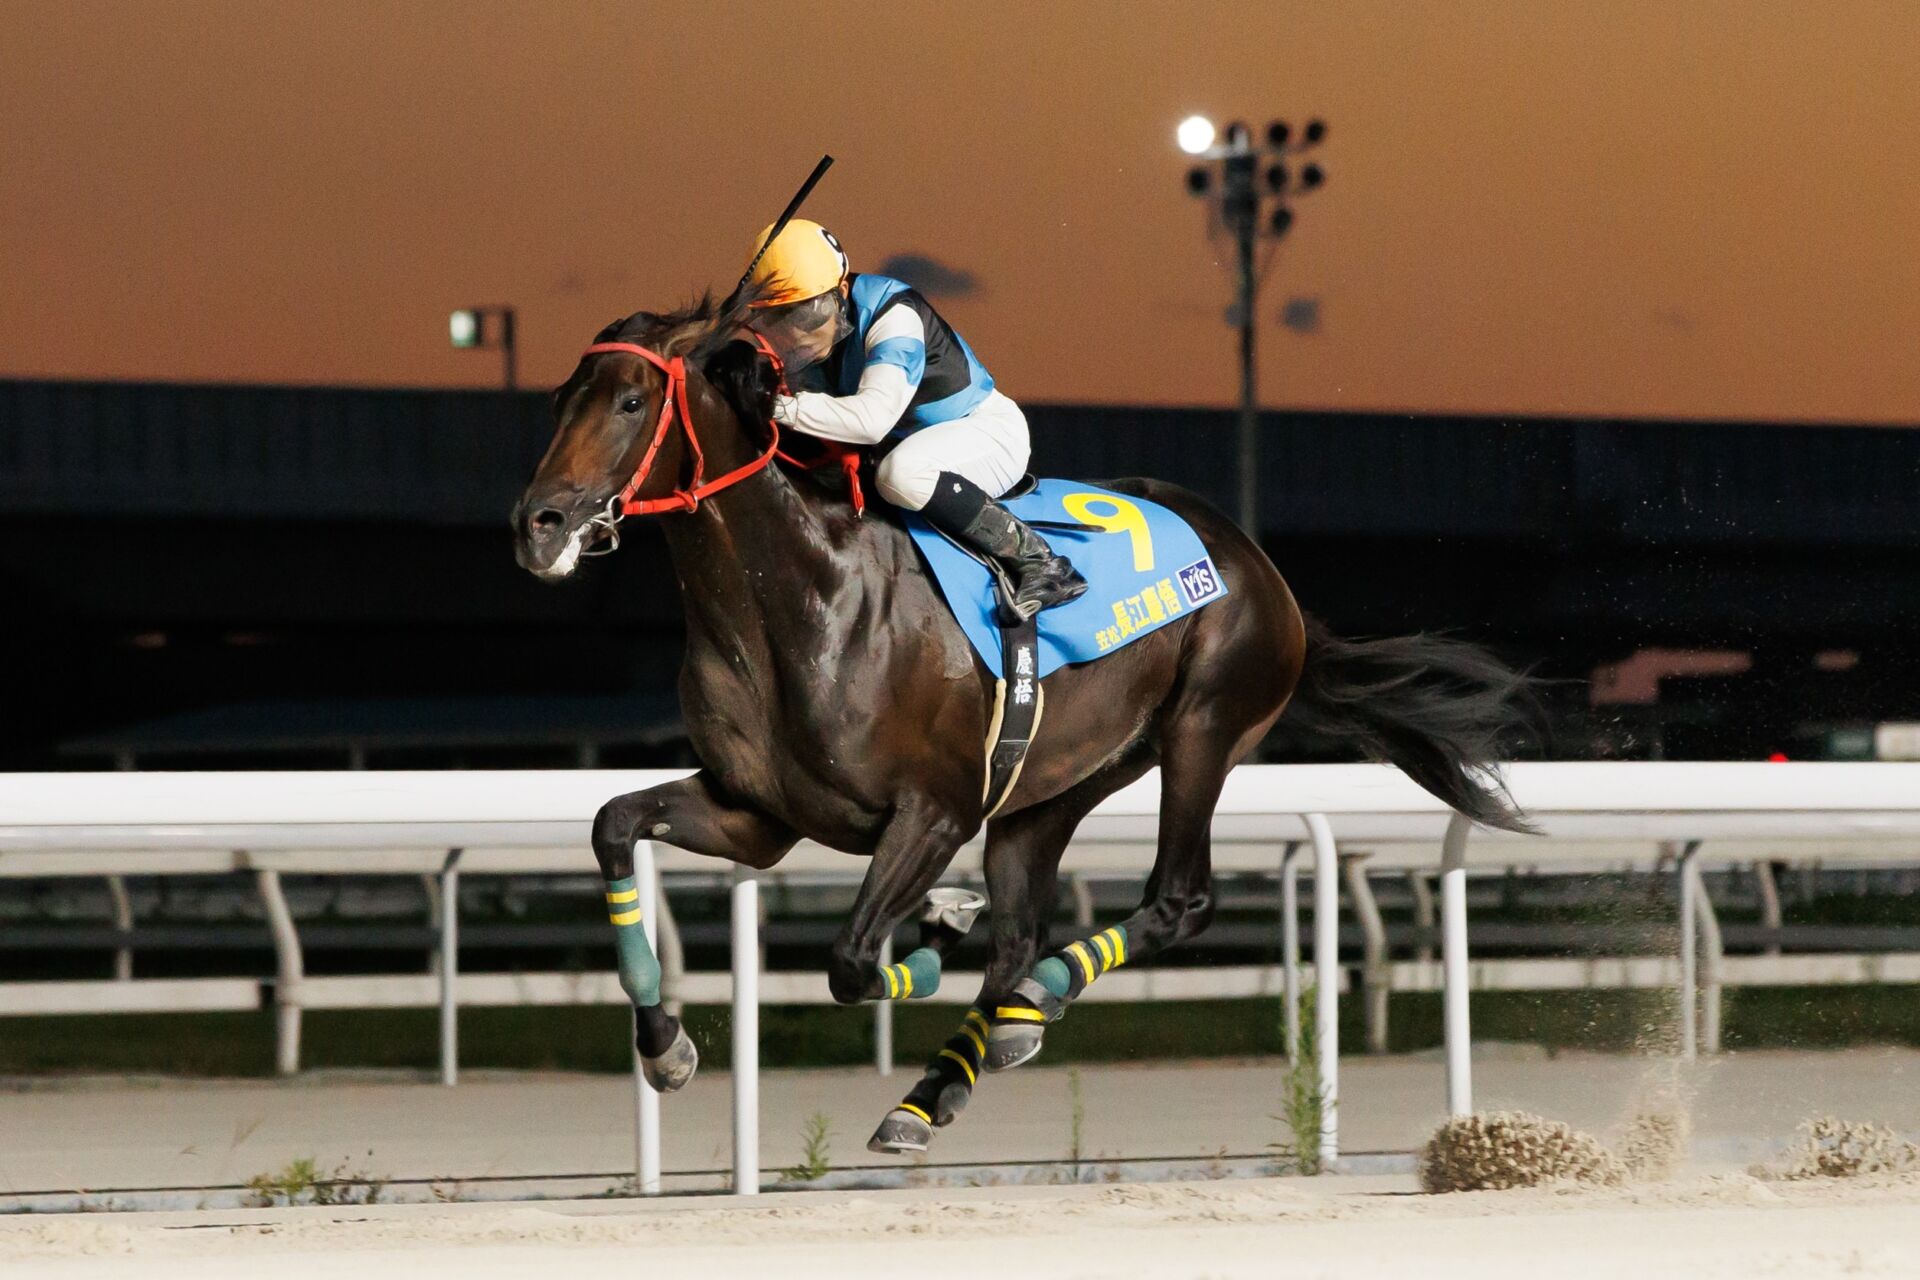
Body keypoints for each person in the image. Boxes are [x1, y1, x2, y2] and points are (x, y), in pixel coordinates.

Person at [742, 220, 1086, 619]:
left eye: (805, 314)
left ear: (840, 292)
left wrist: (774, 406)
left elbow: (870, 421)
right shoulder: (805, 336)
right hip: (908, 445)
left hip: (984, 433)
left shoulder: (894, 314)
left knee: (901, 474)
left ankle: (1042, 563)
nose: (794, 334)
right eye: (775, 317)